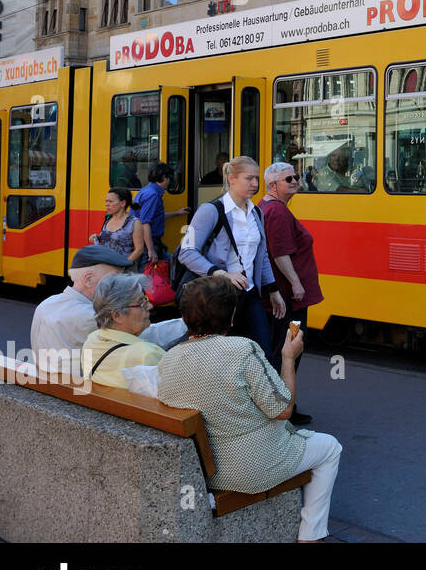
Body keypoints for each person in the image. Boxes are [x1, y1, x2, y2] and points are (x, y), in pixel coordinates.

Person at [158, 275, 342, 542]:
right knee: (330, 448)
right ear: (232, 316)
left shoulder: (169, 359)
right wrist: (289, 357)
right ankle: (310, 534)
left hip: (205, 472)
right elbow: (282, 409)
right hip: (254, 469)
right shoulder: (243, 349)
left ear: (185, 318)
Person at [176, 156, 287, 367]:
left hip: (249, 294)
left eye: (256, 179)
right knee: (216, 357)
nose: (255, 184)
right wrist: (221, 273)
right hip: (217, 298)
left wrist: (273, 290)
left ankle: (269, 399)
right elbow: (187, 252)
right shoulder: (209, 211)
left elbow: (261, 256)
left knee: (263, 354)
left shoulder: (257, 213)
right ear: (231, 179)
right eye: (249, 179)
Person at [30, 245, 185, 376]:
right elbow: (150, 336)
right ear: (88, 279)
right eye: (114, 277)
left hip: (53, 389)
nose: (120, 282)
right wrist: (191, 320)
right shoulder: (89, 316)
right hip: (78, 397)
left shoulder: (47, 304)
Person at [260, 162, 322, 426]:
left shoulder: (270, 208)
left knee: (282, 347)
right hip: (292, 301)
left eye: (295, 177)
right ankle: (283, 407)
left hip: (287, 298)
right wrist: (296, 284)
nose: (295, 181)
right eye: (289, 179)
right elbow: (280, 253)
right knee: (290, 347)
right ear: (273, 185)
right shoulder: (277, 212)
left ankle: (284, 404)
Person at [81, 272, 165, 388]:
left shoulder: (92, 340)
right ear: (117, 315)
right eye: (141, 303)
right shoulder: (147, 355)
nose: (150, 306)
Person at [136, 162, 187, 265]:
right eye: (169, 179)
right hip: (148, 243)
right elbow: (145, 222)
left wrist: (177, 213)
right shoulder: (153, 195)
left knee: (172, 263)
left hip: (151, 242)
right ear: (164, 178)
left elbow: (154, 216)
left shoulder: (147, 191)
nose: (169, 182)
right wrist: (151, 250)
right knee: (147, 274)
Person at [91, 187, 145, 268]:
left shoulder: (134, 222)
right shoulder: (108, 218)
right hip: (104, 268)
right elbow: (110, 238)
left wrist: (122, 265)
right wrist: (97, 237)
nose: (107, 204)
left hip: (124, 272)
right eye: (106, 201)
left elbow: (139, 249)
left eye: (110, 201)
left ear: (123, 203)